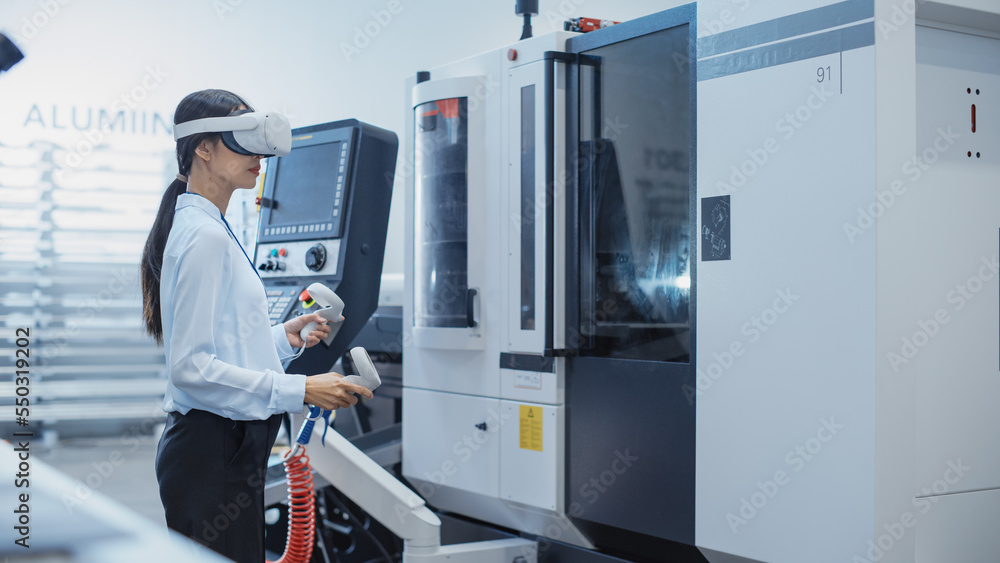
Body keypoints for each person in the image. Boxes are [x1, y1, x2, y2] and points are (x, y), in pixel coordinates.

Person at [140, 89, 372, 562]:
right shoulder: (203, 235)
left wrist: (281, 340)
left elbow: (220, 346)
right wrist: (301, 388)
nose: (260, 156)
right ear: (203, 147)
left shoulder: (213, 227)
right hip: (211, 454)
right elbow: (191, 369)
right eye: (242, 139)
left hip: (224, 451)